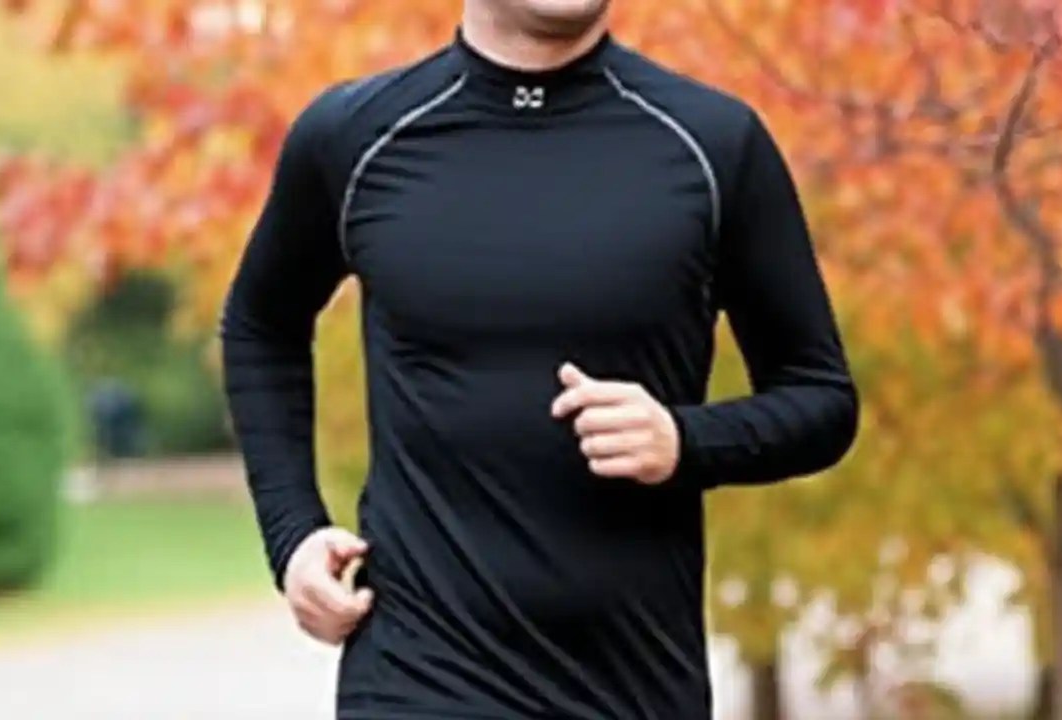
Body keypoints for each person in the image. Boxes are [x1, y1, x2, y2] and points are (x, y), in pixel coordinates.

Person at [219, 1, 859, 717]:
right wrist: (294, 536)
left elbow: (821, 398)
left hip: (632, 688)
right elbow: (260, 324)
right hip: (418, 677)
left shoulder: (712, 145)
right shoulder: (354, 137)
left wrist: (685, 440)